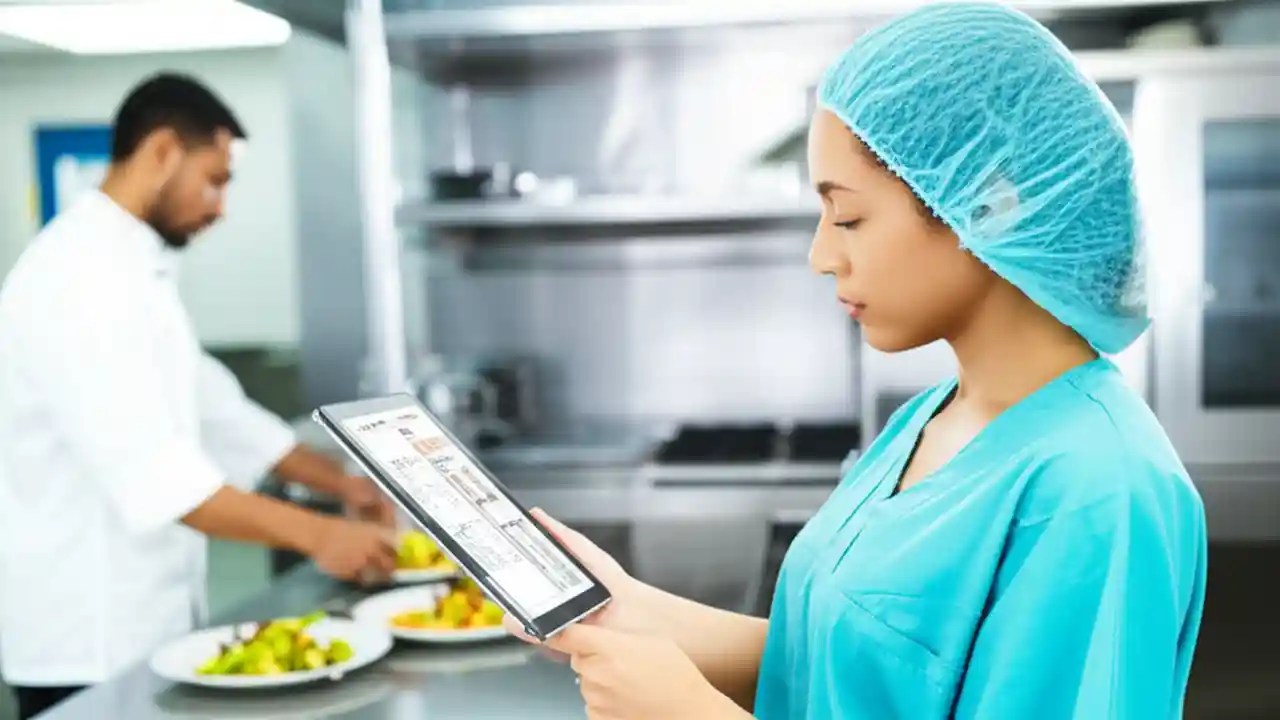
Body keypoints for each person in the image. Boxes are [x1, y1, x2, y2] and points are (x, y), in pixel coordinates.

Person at [506, 4, 1207, 719]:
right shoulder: (930, 420)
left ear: (988, 206)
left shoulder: (1098, 489)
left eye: (847, 217)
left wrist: (691, 712)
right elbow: (842, 667)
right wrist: (623, 611)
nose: (821, 255)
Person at [0, 73, 399, 720]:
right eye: (215, 179)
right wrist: (321, 534)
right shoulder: (75, 279)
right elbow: (157, 476)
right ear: (162, 152)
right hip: (85, 638)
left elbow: (218, 411)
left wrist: (343, 486)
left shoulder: (133, 272)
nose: (221, 205)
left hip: (144, 623)